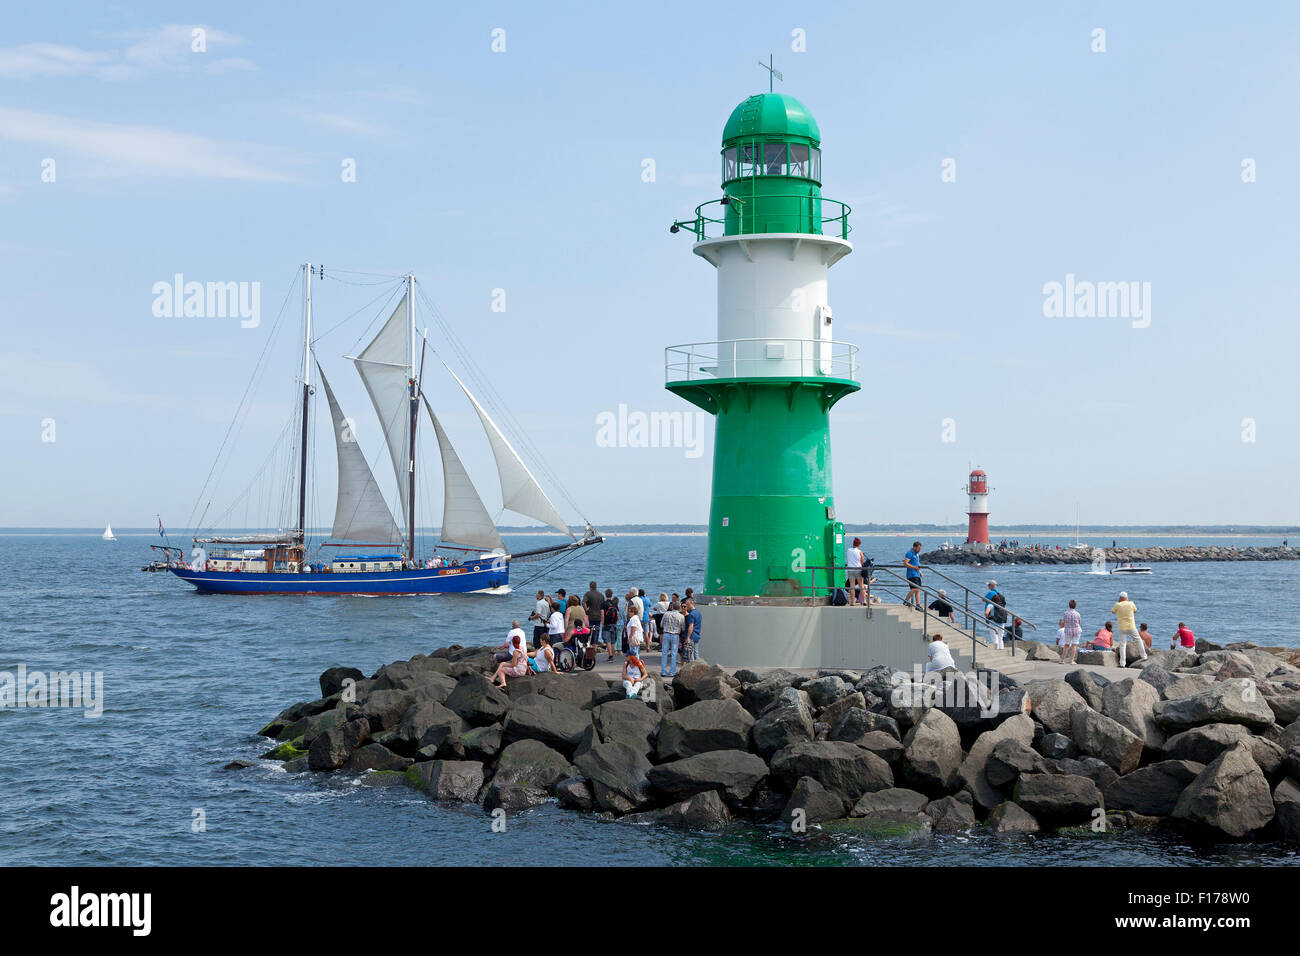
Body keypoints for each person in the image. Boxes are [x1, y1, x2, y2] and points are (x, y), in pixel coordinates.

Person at [1110, 591, 1146, 667]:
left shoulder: (1118, 605)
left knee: (1123, 644)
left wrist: (1119, 603)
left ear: (1120, 598)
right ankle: (1144, 656)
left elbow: (1113, 611)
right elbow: (1135, 610)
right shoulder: (1131, 603)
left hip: (1122, 627)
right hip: (1131, 626)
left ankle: (1122, 663)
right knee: (1138, 640)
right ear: (1127, 598)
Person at [659, 599, 685, 677]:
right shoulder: (681, 616)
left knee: (664, 653)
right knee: (674, 654)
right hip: (675, 635)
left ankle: (663, 671)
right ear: (679, 608)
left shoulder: (666, 614)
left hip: (666, 634)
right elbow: (683, 628)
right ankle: (672, 672)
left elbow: (661, 625)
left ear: (672, 607)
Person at [1059, 599, 1082, 665]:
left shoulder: (1065, 613)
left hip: (1068, 630)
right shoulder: (1077, 614)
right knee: (1074, 645)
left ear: (1069, 605)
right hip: (1076, 630)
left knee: (1066, 645)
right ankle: (1071, 661)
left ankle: (1062, 660)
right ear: (1075, 606)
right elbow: (1079, 622)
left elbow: (1064, 622)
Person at [845, 537, 867, 605]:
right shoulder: (860, 552)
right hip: (858, 570)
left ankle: (853, 602)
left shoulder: (848, 550)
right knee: (861, 586)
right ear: (859, 544)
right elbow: (862, 562)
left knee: (852, 587)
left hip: (850, 570)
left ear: (853, 543)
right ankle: (864, 601)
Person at [903, 541, 923, 608]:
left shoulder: (916, 554)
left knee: (918, 589)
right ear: (914, 547)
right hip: (911, 574)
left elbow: (917, 564)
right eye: (918, 548)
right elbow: (905, 563)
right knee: (915, 588)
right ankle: (906, 601)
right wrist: (914, 568)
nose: (920, 550)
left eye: (920, 548)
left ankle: (918, 604)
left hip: (916, 574)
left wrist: (920, 571)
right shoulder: (909, 553)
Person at [601, 590, 620, 661]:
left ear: (605, 595)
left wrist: (602, 624)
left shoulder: (603, 604)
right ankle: (613, 654)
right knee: (612, 641)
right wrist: (616, 622)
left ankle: (610, 656)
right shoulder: (614, 603)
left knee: (608, 641)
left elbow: (602, 614)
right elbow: (618, 615)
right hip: (613, 624)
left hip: (606, 624)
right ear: (612, 595)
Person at [682, 597, 702, 662]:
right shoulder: (698, 613)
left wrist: (688, 637)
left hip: (691, 636)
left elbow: (691, 626)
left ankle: (693, 669)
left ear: (691, 604)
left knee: (691, 655)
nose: (686, 606)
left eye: (687, 604)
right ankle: (699, 666)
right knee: (696, 653)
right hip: (697, 635)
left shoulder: (691, 614)